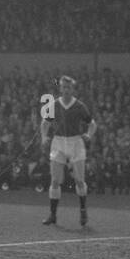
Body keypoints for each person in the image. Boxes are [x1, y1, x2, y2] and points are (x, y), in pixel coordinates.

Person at [41, 75, 97, 226]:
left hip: (75, 143)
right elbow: (45, 123)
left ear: (72, 89)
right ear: (60, 88)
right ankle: (53, 215)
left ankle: (83, 210)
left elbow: (92, 124)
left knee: (79, 180)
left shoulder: (79, 106)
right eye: (63, 87)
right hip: (58, 142)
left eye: (69, 87)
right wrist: (44, 137)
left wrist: (89, 134)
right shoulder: (54, 105)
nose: (66, 90)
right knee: (55, 180)